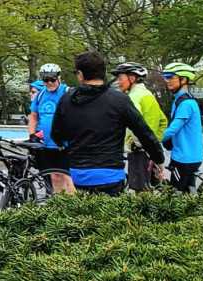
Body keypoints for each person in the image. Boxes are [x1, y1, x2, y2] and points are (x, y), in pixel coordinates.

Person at [50, 51, 164, 196]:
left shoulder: (66, 100)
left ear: (80, 74)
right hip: (110, 174)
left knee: (82, 215)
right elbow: (144, 132)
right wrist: (158, 158)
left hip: (79, 174)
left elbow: (56, 135)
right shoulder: (119, 100)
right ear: (103, 73)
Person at [111, 62, 167, 192]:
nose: (118, 82)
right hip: (149, 150)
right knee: (150, 189)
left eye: (120, 78)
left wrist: (136, 144)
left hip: (139, 152)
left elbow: (134, 125)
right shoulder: (147, 94)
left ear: (132, 78)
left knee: (142, 193)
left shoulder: (134, 97)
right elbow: (163, 121)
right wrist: (155, 143)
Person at [27, 63, 73, 194]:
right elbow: (33, 116)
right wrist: (32, 134)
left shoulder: (67, 92)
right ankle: (58, 205)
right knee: (54, 176)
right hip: (47, 144)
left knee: (68, 177)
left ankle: (74, 206)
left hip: (65, 143)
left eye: (52, 79)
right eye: (46, 80)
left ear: (59, 77)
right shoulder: (40, 95)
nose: (49, 83)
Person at [161, 62, 203, 193]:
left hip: (184, 158)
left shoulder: (186, 103)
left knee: (175, 196)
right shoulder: (181, 100)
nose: (167, 81)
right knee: (187, 194)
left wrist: (151, 139)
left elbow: (173, 129)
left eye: (171, 77)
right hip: (186, 155)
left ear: (183, 79)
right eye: (166, 77)